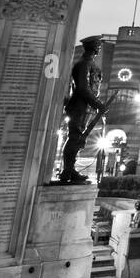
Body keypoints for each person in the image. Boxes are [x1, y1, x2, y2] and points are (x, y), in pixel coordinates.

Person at [61, 36, 107, 184]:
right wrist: (98, 103)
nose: (99, 48)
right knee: (75, 138)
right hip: (79, 106)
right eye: (97, 46)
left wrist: (95, 105)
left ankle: (70, 169)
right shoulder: (83, 64)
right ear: (93, 47)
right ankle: (67, 170)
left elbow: (92, 88)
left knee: (79, 138)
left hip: (87, 107)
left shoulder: (91, 64)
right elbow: (82, 88)